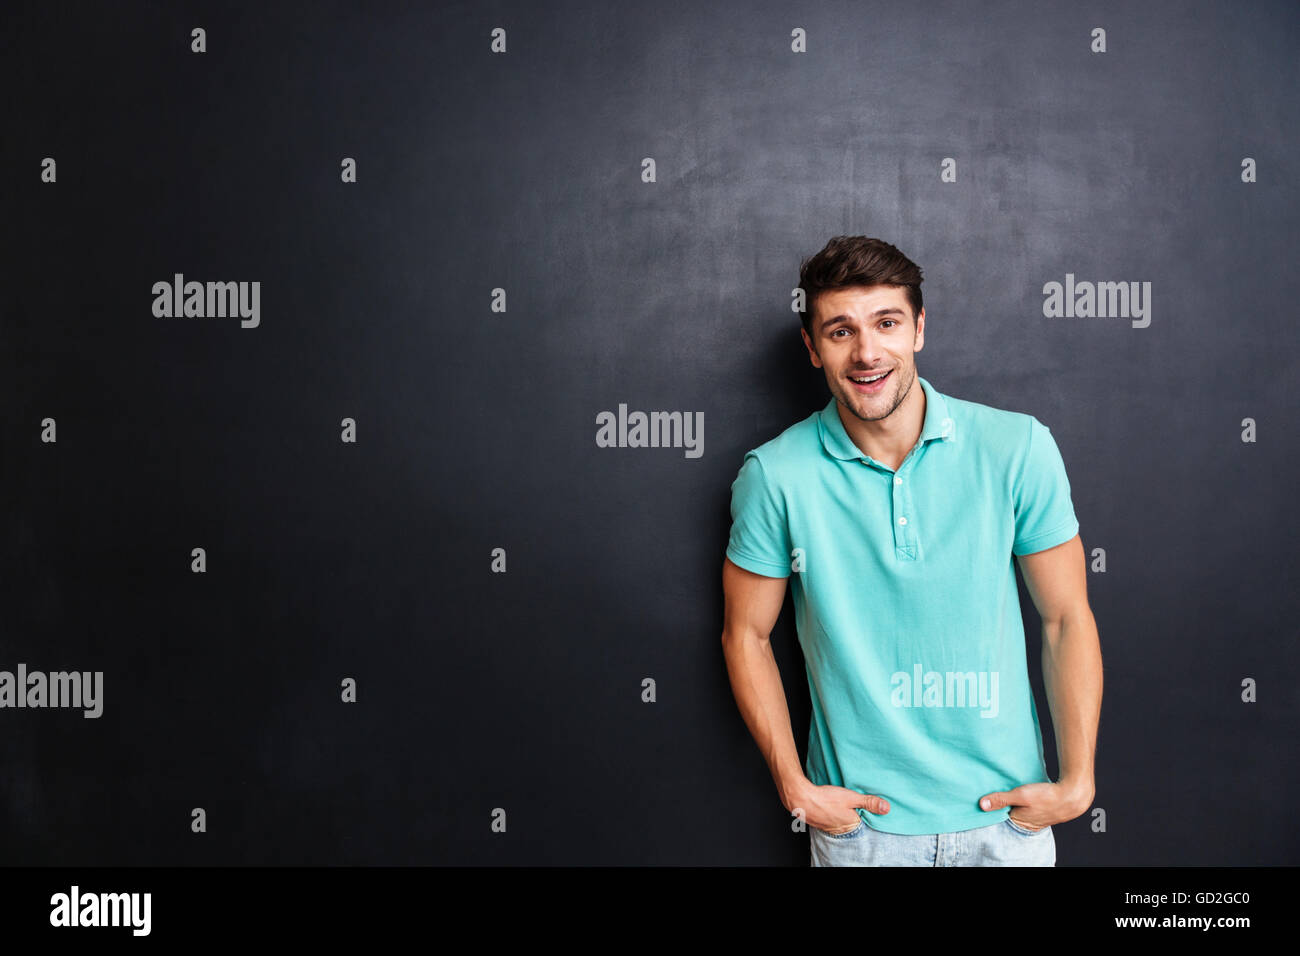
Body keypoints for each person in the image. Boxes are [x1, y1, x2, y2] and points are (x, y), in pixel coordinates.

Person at [721, 236, 1102, 866]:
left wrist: (1079, 778)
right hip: (862, 835)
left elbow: (1067, 618)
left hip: (1007, 825)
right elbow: (745, 635)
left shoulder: (1017, 448)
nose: (867, 351)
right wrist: (795, 786)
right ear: (813, 349)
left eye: (887, 323)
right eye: (840, 331)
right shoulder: (775, 474)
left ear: (919, 329)